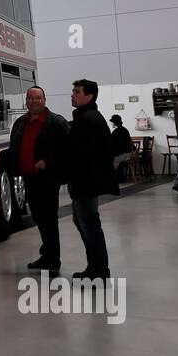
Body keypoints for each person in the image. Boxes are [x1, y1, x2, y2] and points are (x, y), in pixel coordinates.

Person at [7, 86, 70, 273]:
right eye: (30, 98)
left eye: (37, 98)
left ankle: (53, 260)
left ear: (44, 100)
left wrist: (47, 161)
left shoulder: (56, 122)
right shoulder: (20, 122)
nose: (34, 101)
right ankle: (47, 254)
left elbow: (68, 148)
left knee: (49, 218)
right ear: (26, 101)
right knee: (38, 216)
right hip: (28, 177)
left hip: (48, 179)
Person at [66, 79, 118, 280]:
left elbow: (83, 155)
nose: (72, 94)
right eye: (73, 91)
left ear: (89, 96)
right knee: (84, 223)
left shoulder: (89, 119)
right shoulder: (86, 117)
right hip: (84, 182)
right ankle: (94, 268)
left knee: (90, 226)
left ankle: (99, 271)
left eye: (77, 91)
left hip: (86, 183)